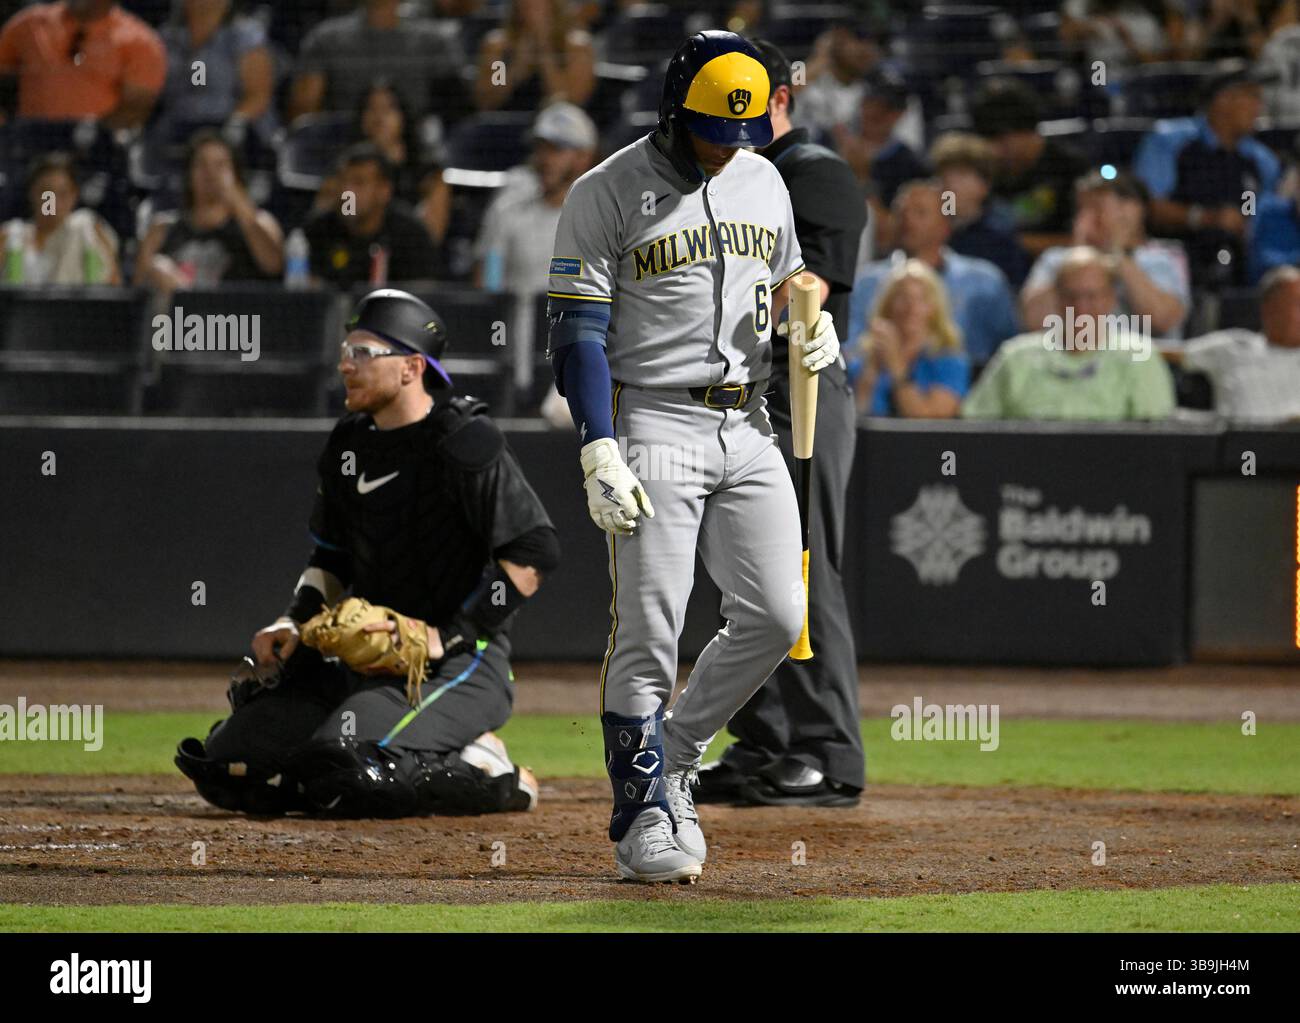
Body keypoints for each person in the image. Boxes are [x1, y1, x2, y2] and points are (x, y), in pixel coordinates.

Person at [546, 31, 839, 883]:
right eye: (713, 129)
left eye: (741, 133)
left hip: (747, 423)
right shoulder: (606, 191)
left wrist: (810, 325)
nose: (727, 146)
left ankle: (673, 752)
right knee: (650, 627)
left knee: (781, 616)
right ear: (674, 113)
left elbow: (787, 283)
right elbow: (577, 333)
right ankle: (640, 812)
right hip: (655, 422)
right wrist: (599, 442)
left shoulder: (763, 177)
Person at [175, 289, 560, 819]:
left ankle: (488, 770)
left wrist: (445, 636)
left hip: (460, 666)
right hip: (364, 658)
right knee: (234, 771)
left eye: (362, 353)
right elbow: (331, 557)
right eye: (345, 352)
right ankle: (393, 746)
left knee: (350, 775)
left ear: (411, 367)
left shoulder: (465, 440)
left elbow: (535, 552)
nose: (345, 365)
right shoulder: (349, 445)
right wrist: (294, 620)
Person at [691, 38, 865, 809]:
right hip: (735, 393)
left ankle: (827, 750)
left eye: (745, 94)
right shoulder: (719, 183)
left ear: (780, 97)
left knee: (802, 567)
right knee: (744, 570)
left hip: (802, 386)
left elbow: (812, 285)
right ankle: (763, 740)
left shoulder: (811, 171)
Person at [963, 247, 1176, 420]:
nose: (1081, 307)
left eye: (1092, 296)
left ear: (1111, 299)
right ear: (1057, 298)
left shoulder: (1139, 356)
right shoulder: (1016, 356)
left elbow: (1157, 438)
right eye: (1071, 296)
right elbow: (976, 425)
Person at [1133, 64, 1280, 288]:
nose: (1259, 108)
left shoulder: (1261, 159)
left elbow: (1264, 213)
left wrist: (1250, 223)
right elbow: (1146, 206)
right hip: (1175, 261)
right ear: (1222, 100)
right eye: (1252, 97)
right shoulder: (1170, 140)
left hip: (1242, 267)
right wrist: (1206, 218)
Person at [847, 180, 1020, 364]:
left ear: (945, 225)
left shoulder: (984, 281)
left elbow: (1010, 347)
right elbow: (851, 348)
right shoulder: (866, 282)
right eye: (901, 213)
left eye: (920, 212)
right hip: (881, 381)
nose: (908, 220)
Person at [1021, 170, 1189, 339]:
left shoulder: (1162, 257)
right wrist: (1078, 255)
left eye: (1098, 208)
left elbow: (1164, 320)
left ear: (1132, 211)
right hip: (1071, 362)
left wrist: (1118, 255)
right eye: (1082, 208)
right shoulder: (1056, 259)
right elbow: (1034, 321)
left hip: (1142, 360)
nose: (1087, 217)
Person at [135, 129, 283, 291]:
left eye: (220, 165)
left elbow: (273, 266)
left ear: (236, 174)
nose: (210, 173)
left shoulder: (261, 222)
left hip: (240, 314)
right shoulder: (160, 230)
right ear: (189, 175)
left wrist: (239, 202)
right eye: (201, 164)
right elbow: (138, 295)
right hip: (180, 315)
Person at [314, 81, 451, 248]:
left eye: (388, 108)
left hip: (407, 263)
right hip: (352, 258)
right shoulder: (344, 171)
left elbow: (429, 241)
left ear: (404, 116)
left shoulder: (430, 177)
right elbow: (327, 227)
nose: (379, 117)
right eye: (370, 108)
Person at [288, 0, 464, 122]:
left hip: (415, 148)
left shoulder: (433, 41)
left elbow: (455, 111)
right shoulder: (326, 38)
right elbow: (303, 112)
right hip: (345, 148)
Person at [0, 0, 165, 129]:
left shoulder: (140, 41)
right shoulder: (28, 25)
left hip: (94, 145)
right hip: (29, 136)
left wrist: (92, 133)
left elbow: (136, 107)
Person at [969, 77, 1088, 256]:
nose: (995, 151)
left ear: (1027, 132)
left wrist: (1013, 244)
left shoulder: (1071, 170)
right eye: (989, 141)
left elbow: (1084, 242)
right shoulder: (981, 170)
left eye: (1002, 140)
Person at [303, 143, 442, 289]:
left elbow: (421, 298)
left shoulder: (411, 236)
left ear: (384, 191)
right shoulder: (319, 229)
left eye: (359, 183)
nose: (347, 192)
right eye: (343, 181)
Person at [1180, 265, 1300, 422]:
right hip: (1239, 442)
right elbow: (1161, 352)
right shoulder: (1232, 346)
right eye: (1297, 303)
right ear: (1269, 308)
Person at [854, 259, 970, 418]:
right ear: (888, 305)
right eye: (903, 298)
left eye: (921, 299)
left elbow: (929, 420)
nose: (912, 307)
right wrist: (872, 368)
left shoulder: (949, 362)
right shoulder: (863, 360)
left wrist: (897, 368)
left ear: (934, 308)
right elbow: (854, 416)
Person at [154, 0, 275, 144]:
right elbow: (153, 91)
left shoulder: (246, 35)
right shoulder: (167, 37)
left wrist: (237, 122)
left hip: (230, 126)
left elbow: (258, 95)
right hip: (178, 126)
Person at [2, 152, 119, 285]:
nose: (53, 202)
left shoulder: (89, 231)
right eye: (47, 192)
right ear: (32, 192)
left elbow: (114, 287)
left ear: (74, 195)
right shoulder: (10, 236)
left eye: (62, 193)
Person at [473, 0, 594, 112]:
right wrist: (516, 68)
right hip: (506, 121)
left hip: (555, 126)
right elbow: (488, 102)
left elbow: (571, 103)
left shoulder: (576, 48)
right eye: (526, 5)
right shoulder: (499, 48)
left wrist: (546, 55)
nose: (531, 11)